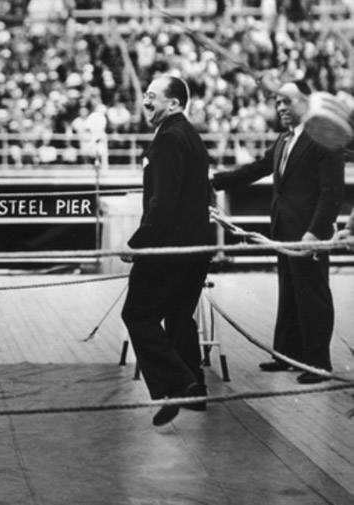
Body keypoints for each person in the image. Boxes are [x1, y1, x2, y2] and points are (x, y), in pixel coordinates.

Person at [212, 80, 344, 384]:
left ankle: (317, 364)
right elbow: (255, 170)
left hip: (308, 233)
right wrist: (213, 181)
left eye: (288, 101)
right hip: (284, 229)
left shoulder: (324, 137)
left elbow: (331, 193)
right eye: (278, 102)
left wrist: (315, 232)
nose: (281, 107)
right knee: (290, 292)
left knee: (312, 295)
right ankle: (287, 355)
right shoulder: (285, 139)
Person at [121, 75, 214, 427]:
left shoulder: (168, 140)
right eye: (145, 96)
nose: (145, 102)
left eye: (152, 97)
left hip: (169, 249)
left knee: (138, 315)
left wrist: (138, 245)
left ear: (173, 104)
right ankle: (195, 392)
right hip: (196, 249)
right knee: (177, 317)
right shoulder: (190, 136)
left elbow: (162, 203)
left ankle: (177, 384)